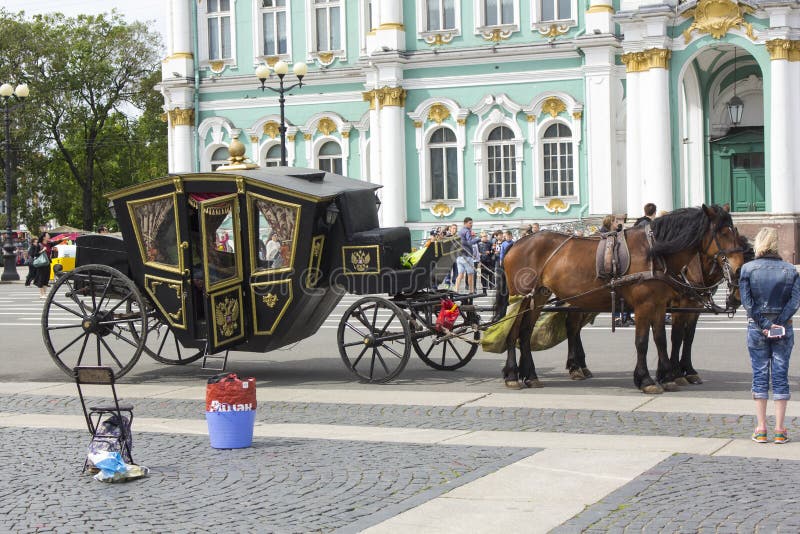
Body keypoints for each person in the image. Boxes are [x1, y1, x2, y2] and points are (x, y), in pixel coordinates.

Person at [740, 227, 800, 444]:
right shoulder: (790, 270)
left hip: (757, 327)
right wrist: (778, 323)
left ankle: (761, 428)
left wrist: (765, 324)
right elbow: (795, 301)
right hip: (783, 328)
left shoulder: (748, 269)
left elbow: (747, 303)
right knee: (781, 375)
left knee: (760, 374)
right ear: (776, 244)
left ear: (759, 243)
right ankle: (780, 429)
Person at [453, 217, 480, 293]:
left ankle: (456, 290)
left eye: (472, 223)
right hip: (467, 256)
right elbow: (470, 242)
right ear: (465, 223)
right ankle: (471, 291)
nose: (471, 225)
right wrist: (478, 239)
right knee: (470, 274)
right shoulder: (467, 231)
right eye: (470, 223)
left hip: (459, 257)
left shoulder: (460, 231)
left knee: (460, 275)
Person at [33, 233, 52, 299]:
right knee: (41, 278)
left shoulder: (49, 244)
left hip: (48, 263)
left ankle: (44, 294)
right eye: (48, 235)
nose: (49, 236)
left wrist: (64, 239)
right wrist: (42, 250)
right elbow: (35, 254)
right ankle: (41, 294)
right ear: (44, 237)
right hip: (41, 264)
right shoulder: (39, 245)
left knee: (46, 278)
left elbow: (57, 242)